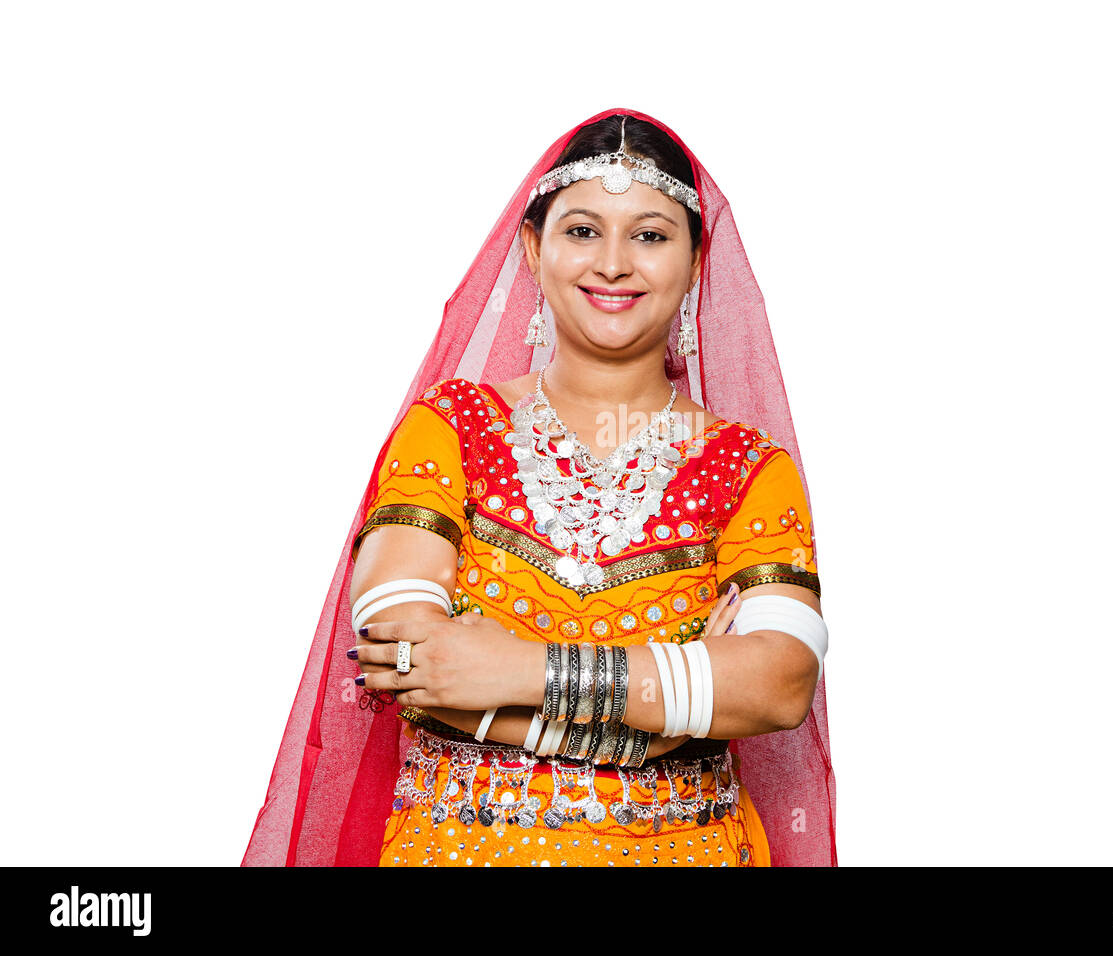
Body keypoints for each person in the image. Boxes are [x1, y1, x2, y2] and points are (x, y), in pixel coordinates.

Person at [242, 108, 837, 867]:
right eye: (583, 230)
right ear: (533, 247)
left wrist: (513, 670)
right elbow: (398, 654)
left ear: (694, 260)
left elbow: (781, 684)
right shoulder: (451, 428)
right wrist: (678, 716)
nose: (614, 263)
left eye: (650, 235)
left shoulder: (750, 469)